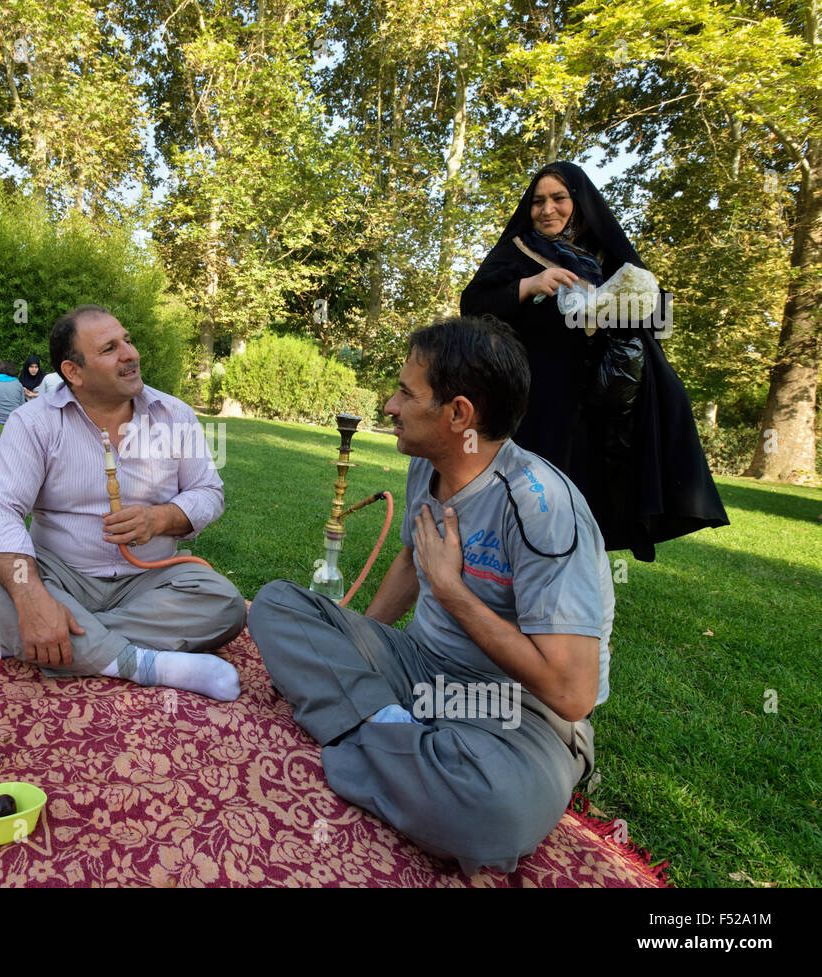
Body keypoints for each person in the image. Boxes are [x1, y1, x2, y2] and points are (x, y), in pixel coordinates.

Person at [249, 316, 612, 875]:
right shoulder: (428, 464)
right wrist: (357, 640)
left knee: (496, 814)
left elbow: (572, 693)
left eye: (405, 392)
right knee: (277, 604)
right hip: (419, 667)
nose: (389, 405)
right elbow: (409, 560)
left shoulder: (544, 509)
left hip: (515, 712)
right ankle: (397, 739)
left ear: (459, 413)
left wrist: (454, 591)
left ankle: (367, 734)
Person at [0, 305, 246, 700]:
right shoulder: (34, 421)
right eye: (110, 349)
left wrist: (161, 518)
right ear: (73, 372)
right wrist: (33, 598)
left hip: (148, 582)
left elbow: (208, 492)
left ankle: (62, 639)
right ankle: (143, 664)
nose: (130, 354)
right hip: (58, 575)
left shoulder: (174, 415)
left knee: (225, 604)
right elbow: (0, 511)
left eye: (127, 340)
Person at [460, 160, 727, 561]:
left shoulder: (608, 255)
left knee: (587, 495)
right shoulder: (516, 252)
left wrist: (616, 305)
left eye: (558, 198)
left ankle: (577, 571)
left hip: (598, 402)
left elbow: (658, 317)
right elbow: (473, 304)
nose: (547, 209)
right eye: (537, 201)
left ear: (579, 202)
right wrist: (528, 285)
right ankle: (515, 565)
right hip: (538, 397)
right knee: (533, 495)